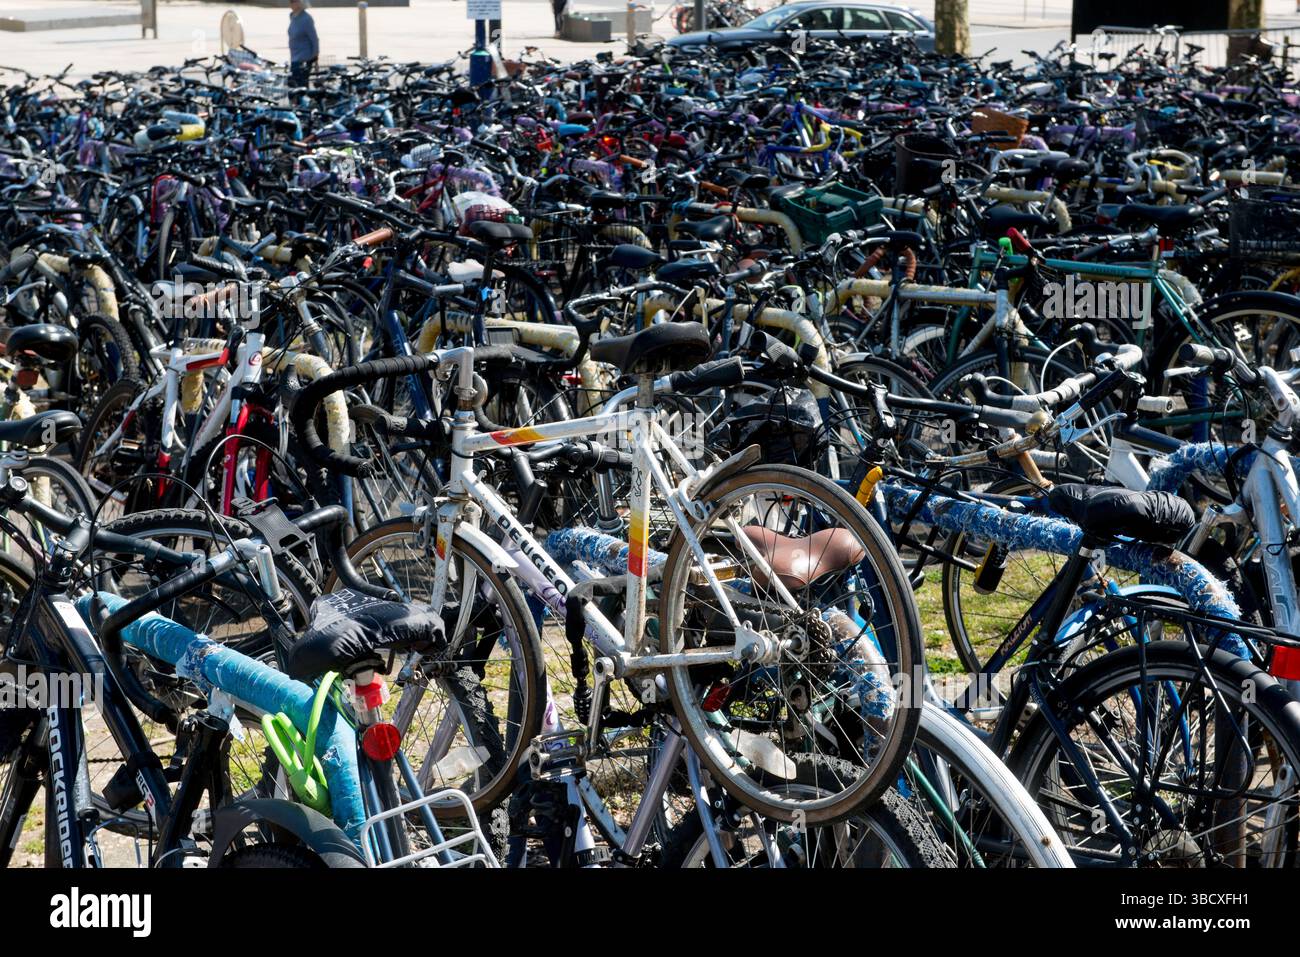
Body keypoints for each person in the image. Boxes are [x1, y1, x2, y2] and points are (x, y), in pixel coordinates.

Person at [288, 0, 319, 88]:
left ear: (300, 3)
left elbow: (314, 39)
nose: (291, 3)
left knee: (300, 86)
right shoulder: (292, 16)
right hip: (294, 56)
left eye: (293, 1)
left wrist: (314, 57)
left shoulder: (306, 19)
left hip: (304, 59)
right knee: (294, 86)